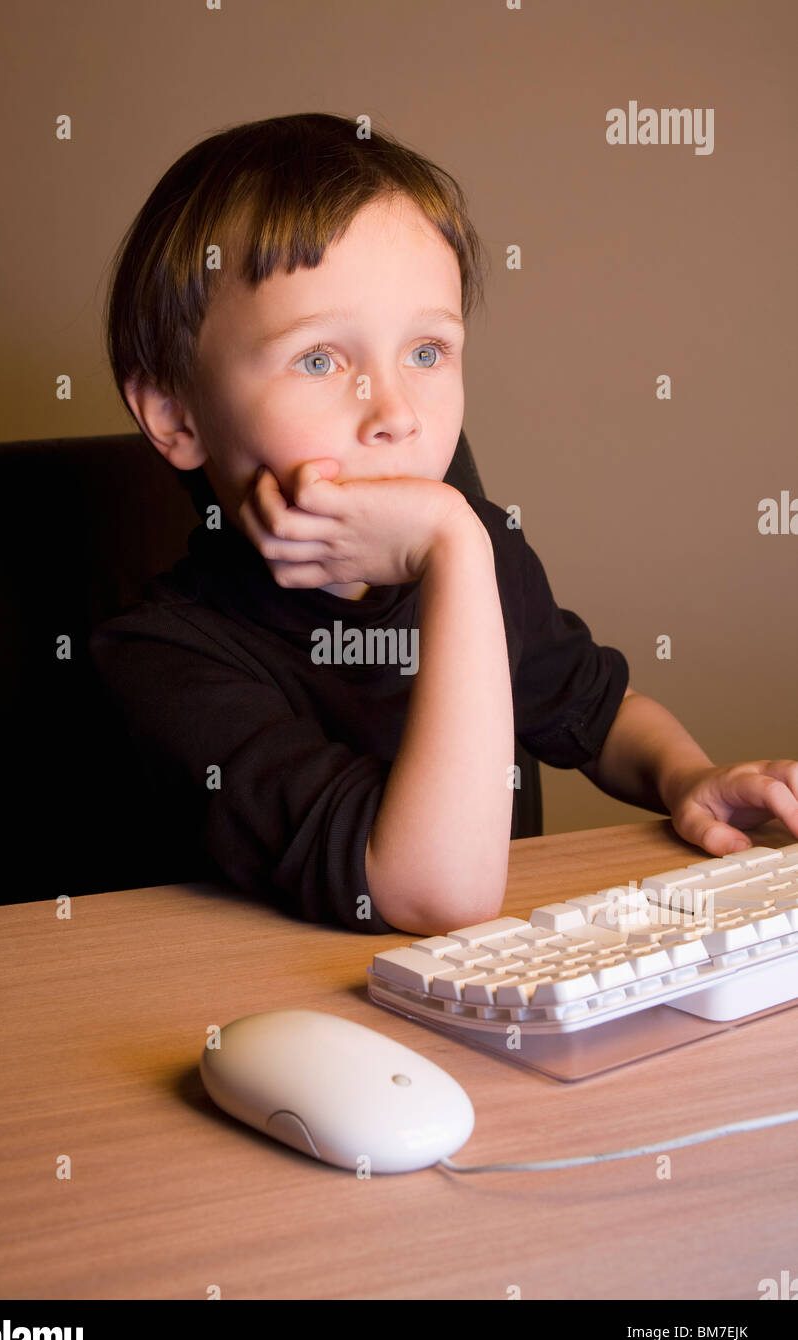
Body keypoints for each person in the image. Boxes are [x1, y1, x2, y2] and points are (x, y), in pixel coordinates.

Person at [89, 112, 798, 936]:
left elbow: (599, 712)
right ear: (176, 416)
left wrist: (685, 776)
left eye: (426, 352)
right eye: (320, 360)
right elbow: (432, 895)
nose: (395, 412)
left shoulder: (479, 547)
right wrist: (455, 549)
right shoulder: (162, 663)